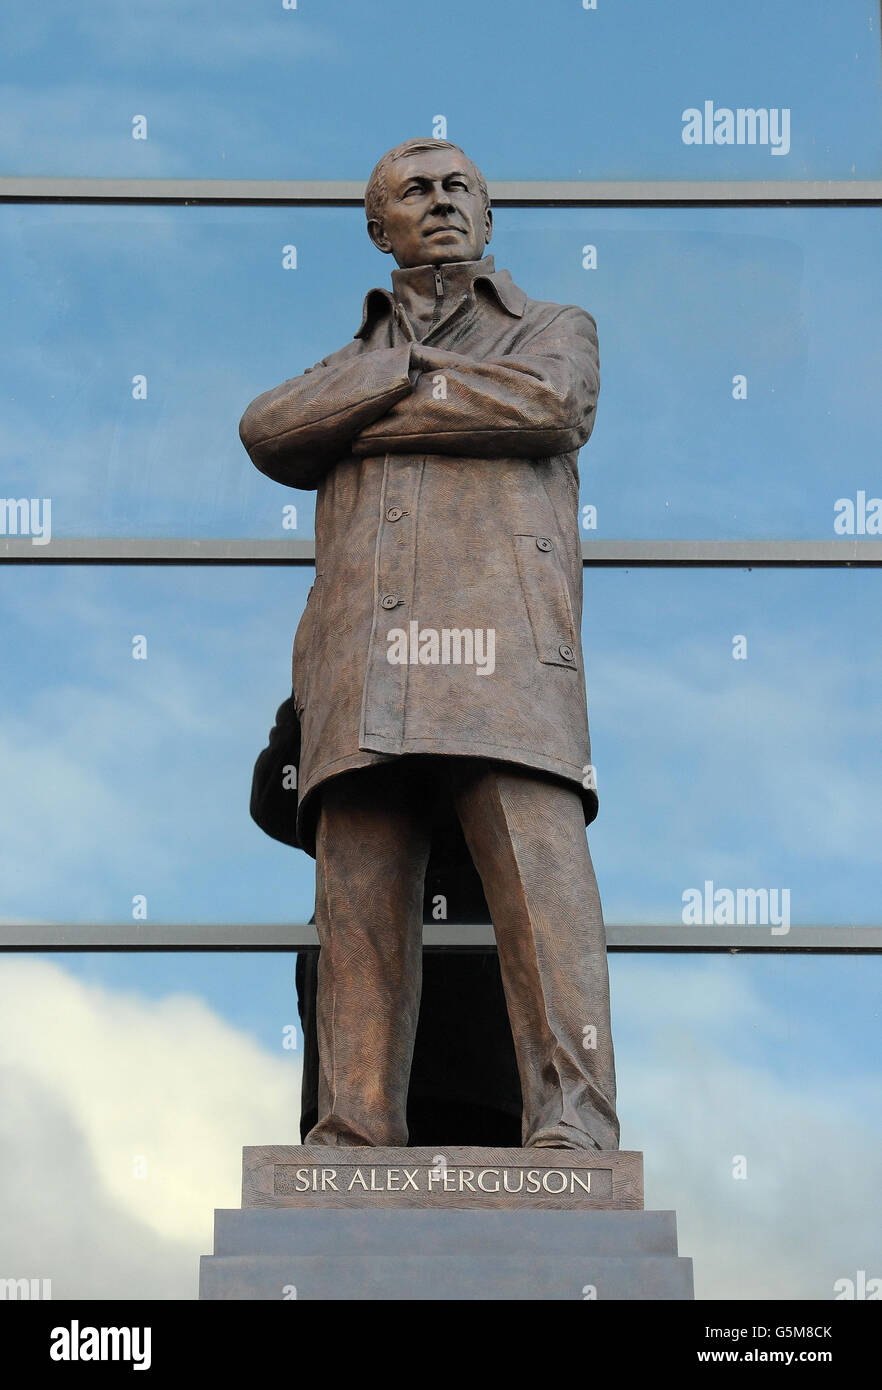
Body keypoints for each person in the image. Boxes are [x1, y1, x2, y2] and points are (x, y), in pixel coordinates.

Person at [239, 138, 618, 1151]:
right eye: (416, 191)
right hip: (363, 673)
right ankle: (352, 1129)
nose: (442, 202)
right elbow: (270, 428)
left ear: (487, 218)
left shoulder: (552, 326)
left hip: (505, 667)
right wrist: (411, 373)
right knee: (357, 910)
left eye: (461, 188)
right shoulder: (351, 357)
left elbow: (547, 403)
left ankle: (572, 1122)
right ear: (380, 228)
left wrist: (372, 402)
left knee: (547, 906)